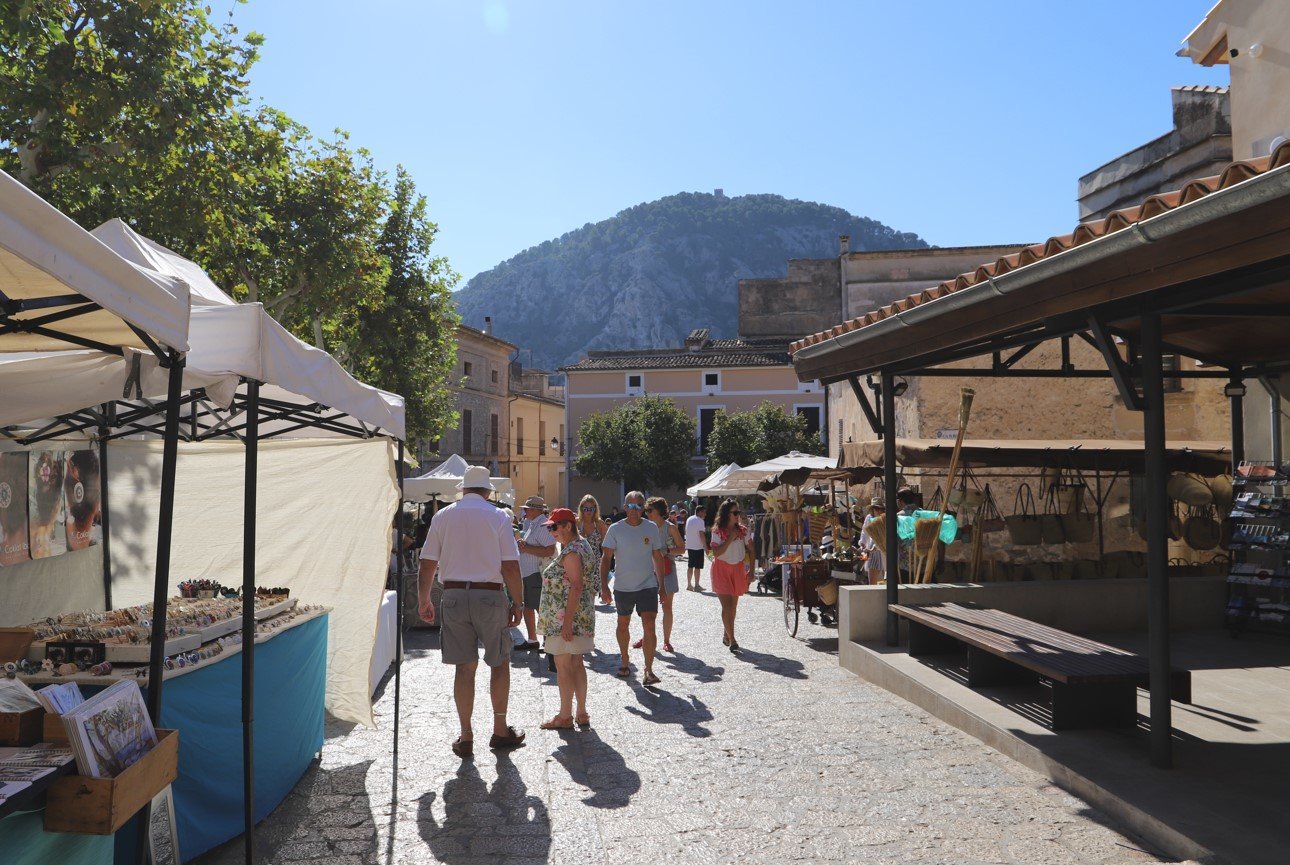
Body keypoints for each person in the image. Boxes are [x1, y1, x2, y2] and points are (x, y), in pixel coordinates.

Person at [418, 465, 527, 758]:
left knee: (464, 668)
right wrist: (519, 602)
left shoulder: (443, 516)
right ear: (488, 491)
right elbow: (510, 566)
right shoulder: (498, 517)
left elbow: (427, 563)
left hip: (453, 595)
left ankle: (466, 735)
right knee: (499, 662)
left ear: (463, 489)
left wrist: (423, 600)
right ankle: (500, 730)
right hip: (490, 596)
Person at [536, 508, 599, 729]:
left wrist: (567, 622)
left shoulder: (572, 550)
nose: (551, 531)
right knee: (576, 663)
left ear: (567, 526)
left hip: (565, 619)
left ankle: (564, 716)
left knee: (564, 666)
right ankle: (581, 712)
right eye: (549, 527)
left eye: (554, 527)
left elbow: (577, 585)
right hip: (578, 616)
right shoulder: (580, 545)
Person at [599, 491, 666, 684]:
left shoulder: (651, 528)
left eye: (638, 506)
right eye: (630, 505)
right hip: (623, 586)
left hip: (648, 585)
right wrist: (604, 587)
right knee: (622, 624)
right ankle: (625, 661)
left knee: (649, 625)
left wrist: (661, 586)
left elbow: (657, 557)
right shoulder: (616, 529)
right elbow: (606, 559)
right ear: (625, 507)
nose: (634, 510)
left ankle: (649, 669)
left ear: (643, 508)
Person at [641, 496, 684, 653]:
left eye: (649, 510)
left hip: (667, 570)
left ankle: (666, 640)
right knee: (646, 608)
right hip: (648, 571)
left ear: (659, 511)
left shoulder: (670, 528)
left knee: (667, 607)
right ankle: (646, 637)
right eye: (646, 510)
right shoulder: (644, 527)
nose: (647, 513)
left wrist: (665, 551)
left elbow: (682, 548)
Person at [709, 499, 751, 652]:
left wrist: (752, 571)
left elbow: (752, 549)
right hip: (721, 569)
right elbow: (716, 552)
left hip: (738, 569)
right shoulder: (717, 531)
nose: (737, 515)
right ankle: (733, 640)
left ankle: (727, 633)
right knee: (726, 606)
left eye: (738, 512)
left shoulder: (743, 530)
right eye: (735, 513)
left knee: (732, 608)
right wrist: (730, 538)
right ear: (727, 514)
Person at [516, 495, 556, 652]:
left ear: (533, 510)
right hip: (529, 573)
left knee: (541, 608)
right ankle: (533, 639)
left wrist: (525, 548)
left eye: (526, 509)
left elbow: (549, 550)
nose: (524, 512)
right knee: (530, 607)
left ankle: (547, 641)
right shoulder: (534, 524)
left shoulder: (541, 526)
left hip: (536, 574)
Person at [858, 498, 886, 584]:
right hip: (872, 551)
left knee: (885, 578)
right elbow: (864, 532)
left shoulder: (885, 519)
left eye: (880, 509)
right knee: (872, 580)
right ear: (872, 509)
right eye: (876, 509)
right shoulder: (869, 518)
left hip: (883, 550)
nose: (878, 511)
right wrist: (862, 543)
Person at [684, 504, 710, 591]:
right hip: (698, 546)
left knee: (690, 566)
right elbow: (701, 535)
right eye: (704, 512)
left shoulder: (689, 519)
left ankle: (689, 584)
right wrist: (706, 547)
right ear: (700, 512)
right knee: (697, 567)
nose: (705, 514)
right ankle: (697, 585)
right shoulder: (700, 521)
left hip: (690, 545)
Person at [576, 494, 609, 561]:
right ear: (581, 509)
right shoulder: (576, 522)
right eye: (586, 509)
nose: (589, 511)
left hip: (595, 563)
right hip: (578, 562)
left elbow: (605, 547)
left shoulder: (600, 524)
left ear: (595, 509)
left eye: (591, 509)